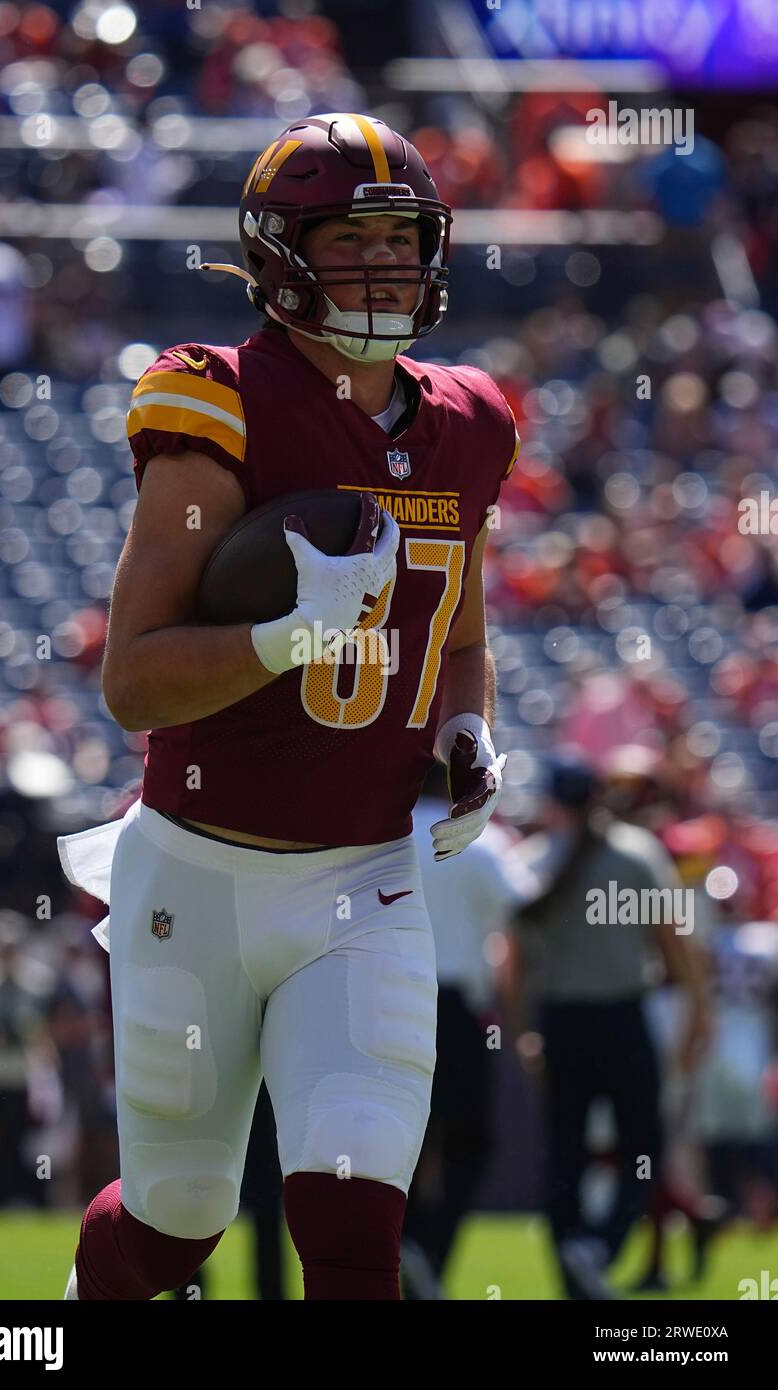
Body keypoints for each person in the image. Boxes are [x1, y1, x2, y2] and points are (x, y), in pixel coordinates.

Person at [56, 112, 519, 1301]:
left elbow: (455, 632)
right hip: (196, 874)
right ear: (280, 252)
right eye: (354, 241)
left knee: (355, 1232)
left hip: (365, 881)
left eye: (402, 241)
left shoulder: (467, 423)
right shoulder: (212, 399)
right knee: (177, 1223)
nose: (386, 267)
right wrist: (285, 637)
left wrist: (465, 729)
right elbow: (134, 680)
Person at [507, 753, 712, 1300]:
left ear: (553, 802)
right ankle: (598, 1247)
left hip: (560, 1023)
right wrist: (698, 1016)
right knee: (644, 1146)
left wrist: (523, 1031)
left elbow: (512, 967)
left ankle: (573, 1266)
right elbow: (677, 948)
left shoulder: (532, 860)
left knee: (565, 1153)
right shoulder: (638, 855)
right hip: (622, 1020)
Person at [400, 760, 535, 1298]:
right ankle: (427, 1248)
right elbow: (525, 909)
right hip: (455, 1007)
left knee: (396, 1137)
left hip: (386, 995)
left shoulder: (381, 837)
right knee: (470, 1140)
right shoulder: (482, 843)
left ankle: (404, 1247)